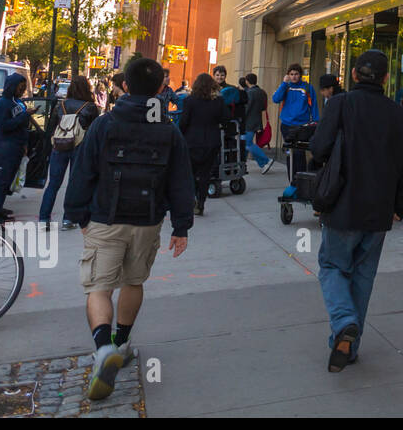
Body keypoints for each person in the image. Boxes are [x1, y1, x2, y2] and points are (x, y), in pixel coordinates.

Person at [63, 56, 194, 401]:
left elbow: (83, 171)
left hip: (105, 218)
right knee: (133, 282)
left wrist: (77, 214)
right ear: (161, 89)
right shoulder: (168, 128)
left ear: (124, 86)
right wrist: (182, 225)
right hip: (147, 221)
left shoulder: (105, 124)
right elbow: (182, 180)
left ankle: (103, 348)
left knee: (99, 287)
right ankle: (122, 341)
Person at [308, 50, 403, 371]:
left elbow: (318, 148)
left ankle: (343, 322)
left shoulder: (340, 104)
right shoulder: (398, 114)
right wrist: (399, 206)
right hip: (379, 209)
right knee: (363, 277)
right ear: (385, 78)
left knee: (332, 266)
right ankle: (348, 347)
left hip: (342, 204)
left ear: (353, 75)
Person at [41, 76, 100, 230]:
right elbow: (94, 131)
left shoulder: (61, 105)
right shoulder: (90, 107)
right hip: (80, 146)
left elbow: (51, 127)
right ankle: (68, 219)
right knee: (74, 183)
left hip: (60, 145)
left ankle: (43, 218)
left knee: (53, 184)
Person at [0, 72, 37, 222]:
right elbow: (3, 126)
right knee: (1, 181)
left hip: (16, 146)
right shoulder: (2, 103)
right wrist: (25, 115)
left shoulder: (18, 102)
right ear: (12, 86)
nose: (22, 90)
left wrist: (25, 144)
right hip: (4, 147)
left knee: (7, 181)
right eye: (19, 87)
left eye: (23, 87)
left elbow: (22, 125)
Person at [178, 73, 228, 216]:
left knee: (191, 173)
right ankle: (201, 202)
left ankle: (192, 198)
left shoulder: (189, 101)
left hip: (192, 141)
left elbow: (184, 122)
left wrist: (181, 135)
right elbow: (226, 119)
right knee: (205, 174)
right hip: (212, 141)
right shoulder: (218, 101)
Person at [273, 63, 318, 191]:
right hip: (287, 126)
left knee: (300, 154)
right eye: (291, 74)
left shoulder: (307, 88)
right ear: (288, 75)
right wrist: (283, 83)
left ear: (300, 75)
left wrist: (316, 122)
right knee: (290, 154)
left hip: (302, 126)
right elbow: (275, 99)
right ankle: (293, 183)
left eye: (296, 74)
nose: (294, 77)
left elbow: (313, 106)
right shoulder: (286, 87)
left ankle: (302, 183)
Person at [240, 73, 274, 172]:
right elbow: (263, 108)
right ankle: (243, 165)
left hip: (248, 123)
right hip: (257, 122)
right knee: (246, 145)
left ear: (247, 81)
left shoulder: (250, 93)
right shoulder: (262, 92)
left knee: (248, 144)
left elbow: (247, 108)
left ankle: (265, 161)